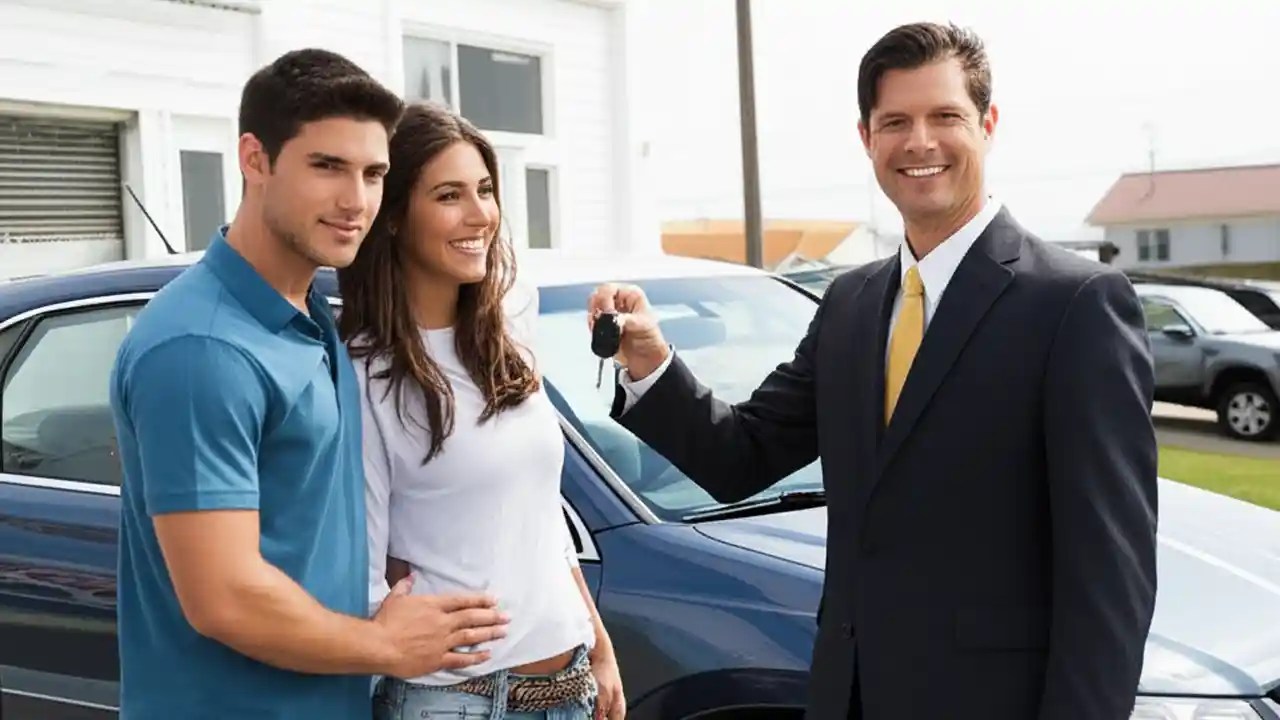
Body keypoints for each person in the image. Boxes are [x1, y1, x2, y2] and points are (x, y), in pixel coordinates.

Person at [588, 22, 1158, 720]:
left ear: (988, 124)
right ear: (867, 138)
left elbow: (1109, 573)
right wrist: (649, 364)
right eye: (895, 121)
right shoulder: (853, 302)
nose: (920, 142)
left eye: (945, 116)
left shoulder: (1075, 304)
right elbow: (743, 456)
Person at [109, 50, 510, 719]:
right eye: (327, 167)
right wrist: (384, 645)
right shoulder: (202, 347)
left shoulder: (307, 317)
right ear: (255, 159)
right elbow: (225, 597)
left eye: (374, 173)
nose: (356, 200)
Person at [336, 102, 626, 720]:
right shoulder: (363, 373)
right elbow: (361, 578)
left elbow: (539, 516)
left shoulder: (508, 328)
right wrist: (392, 634)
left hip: (567, 687)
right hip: (454, 700)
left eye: (486, 190)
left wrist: (597, 644)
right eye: (449, 195)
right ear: (393, 218)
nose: (479, 215)